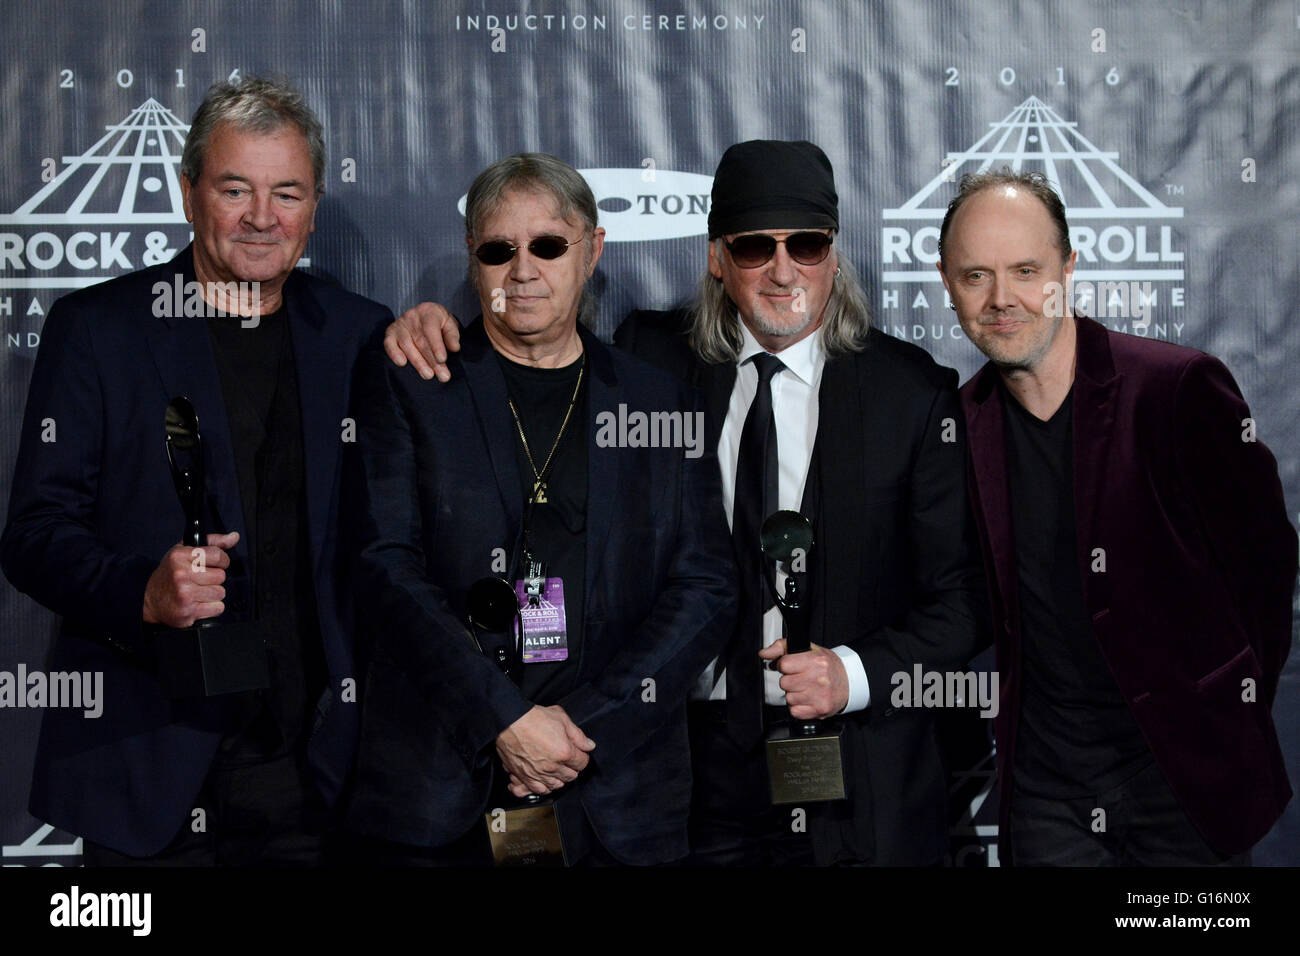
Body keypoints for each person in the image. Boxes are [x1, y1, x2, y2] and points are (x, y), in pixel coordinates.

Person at [386, 141, 984, 866]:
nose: (784, 269)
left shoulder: (911, 392)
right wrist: (422, 323)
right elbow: (533, 334)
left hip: (856, 770)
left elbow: (963, 604)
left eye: (807, 244)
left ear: (834, 254)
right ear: (716, 259)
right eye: (755, 246)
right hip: (687, 773)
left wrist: (853, 674)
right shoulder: (656, 362)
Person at [0, 77, 392, 865]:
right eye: (235, 188)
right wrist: (140, 592)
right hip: (152, 767)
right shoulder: (99, 331)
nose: (261, 216)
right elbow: (34, 535)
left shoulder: (357, 335)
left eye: (287, 192)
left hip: (314, 775)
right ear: (188, 193)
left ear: (314, 207)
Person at [343, 153, 736, 866]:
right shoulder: (416, 382)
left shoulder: (658, 400)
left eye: (548, 245)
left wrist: (577, 729)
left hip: (613, 791)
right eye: (500, 250)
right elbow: (383, 569)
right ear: (474, 260)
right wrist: (504, 720)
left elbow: (705, 587)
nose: (523, 270)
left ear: (592, 251)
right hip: (444, 792)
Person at [936, 168, 1296, 865]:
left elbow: (1265, 570)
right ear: (948, 283)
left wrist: (1225, 711)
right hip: (1047, 789)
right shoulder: (958, 425)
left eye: (1026, 270)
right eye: (976, 275)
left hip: (1183, 777)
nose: (1002, 299)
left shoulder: (1175, 389)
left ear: (1068, 269)